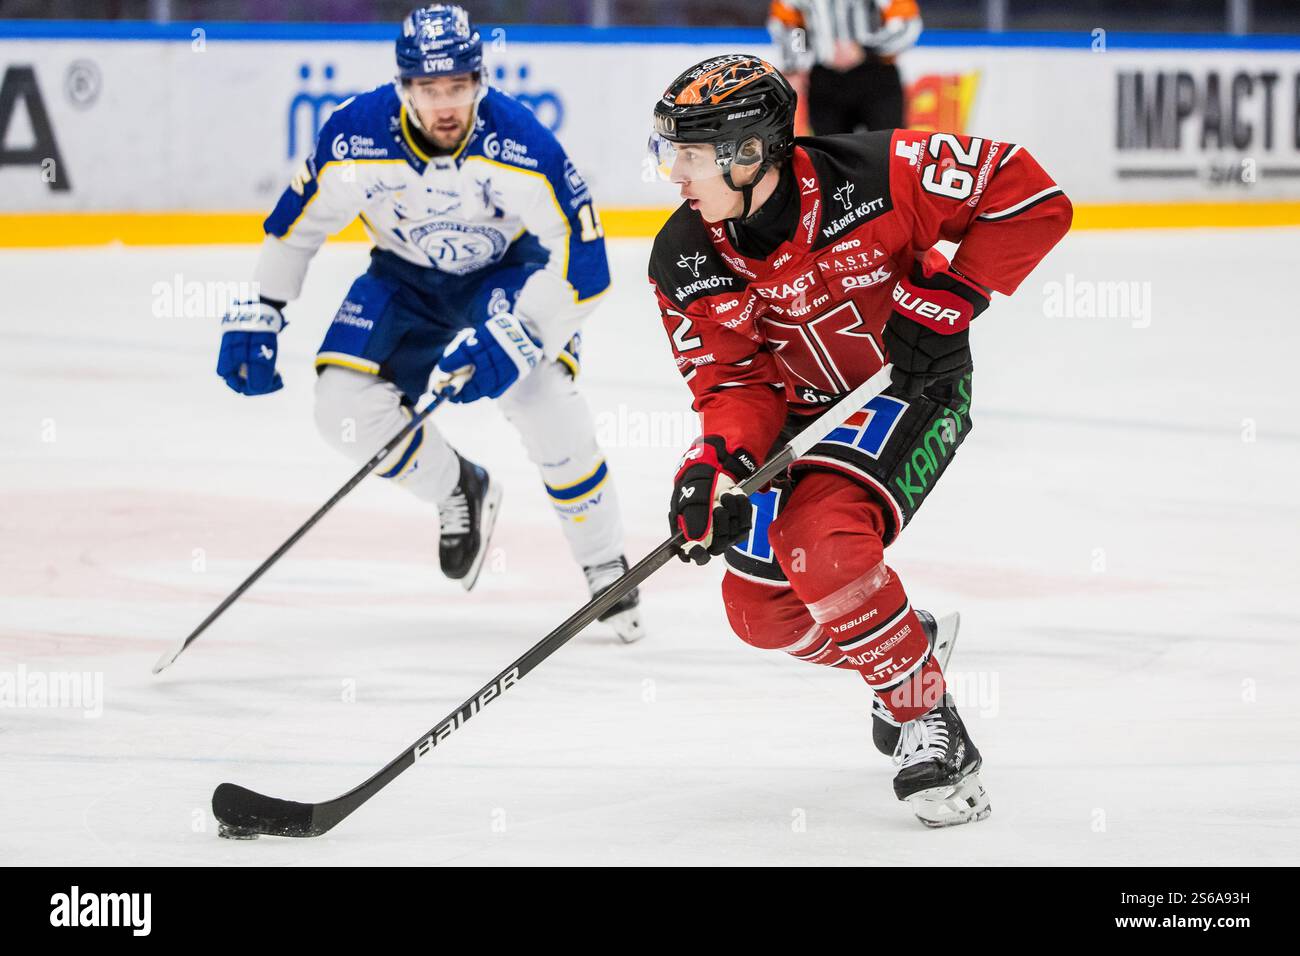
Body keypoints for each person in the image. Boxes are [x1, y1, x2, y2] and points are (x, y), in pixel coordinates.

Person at [646, 54, 1071, 824]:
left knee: (824, 543)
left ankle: (926, 717)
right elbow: (734, 385)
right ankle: (908, 648)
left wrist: (956, 292)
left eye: (692, 154)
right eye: (670, 150)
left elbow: (1031, 193)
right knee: (759, 612)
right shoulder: (683, 258)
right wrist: (716, 463)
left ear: (751, 153)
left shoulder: (881, 173)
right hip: (808, 417)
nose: (675, 172)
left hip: (911, 387)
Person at [215, 4, 643, 641]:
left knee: (542, 394)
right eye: (428, 89)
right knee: (341, 409)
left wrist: (526, 334)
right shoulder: (354, 135)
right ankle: (458, 488)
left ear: (479, 80)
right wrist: (263, 307)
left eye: (458, 87)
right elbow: (295, 224)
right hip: (404, 278)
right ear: (403, 87)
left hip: (506, 271)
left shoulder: (521, 141)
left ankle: (604, 560)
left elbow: (586, 262)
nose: (445, 105)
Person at [768, 0, 921, 134]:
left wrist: (866, 49)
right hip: (824, 79)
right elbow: (789, 25)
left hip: (876, 75)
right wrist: (798, 61)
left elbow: (907, 23)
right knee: (829, 152)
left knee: (887, 148)